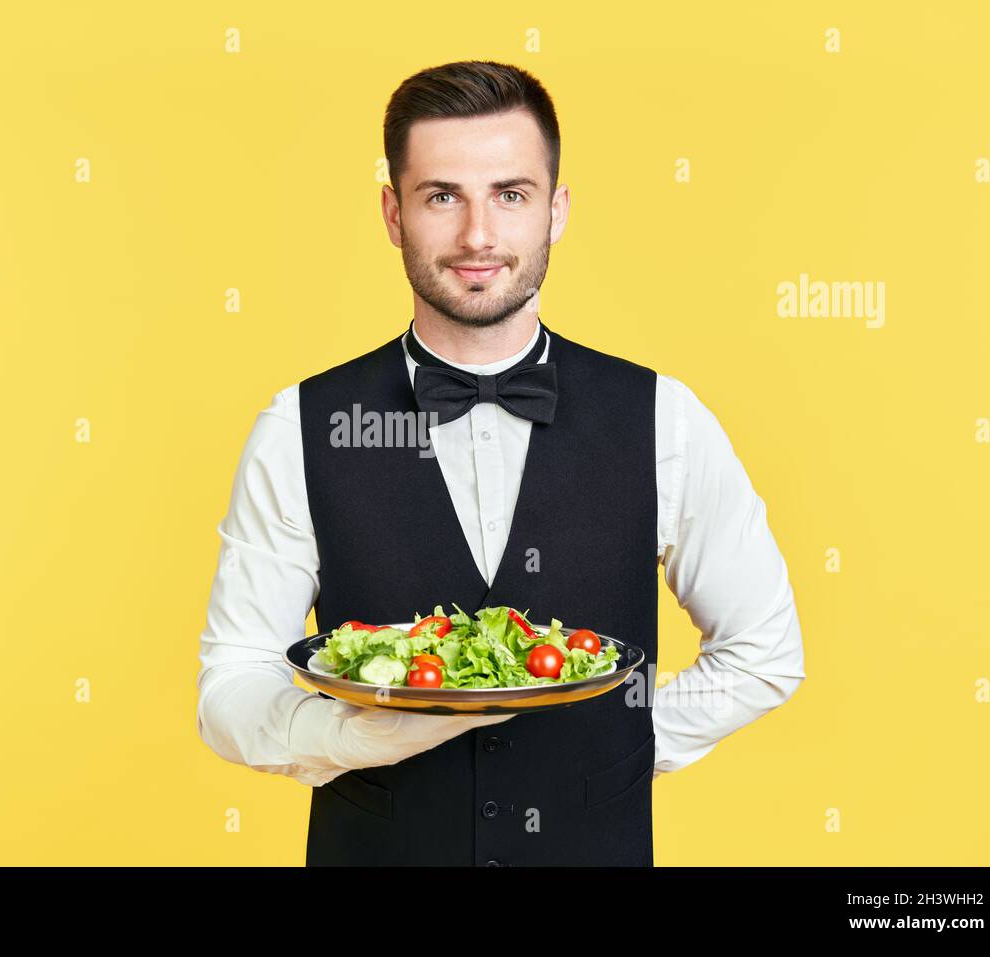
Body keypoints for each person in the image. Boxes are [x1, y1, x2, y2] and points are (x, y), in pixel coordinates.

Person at [195, 60, 805, 866]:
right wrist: (363, 737)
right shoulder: (297, 426)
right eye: (442, 195)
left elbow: (765, 651)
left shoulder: (666, 419)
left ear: (556, 211)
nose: (478, 235)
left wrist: (615, 744)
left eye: (510, 195)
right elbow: (231, 689)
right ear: (392, 213)